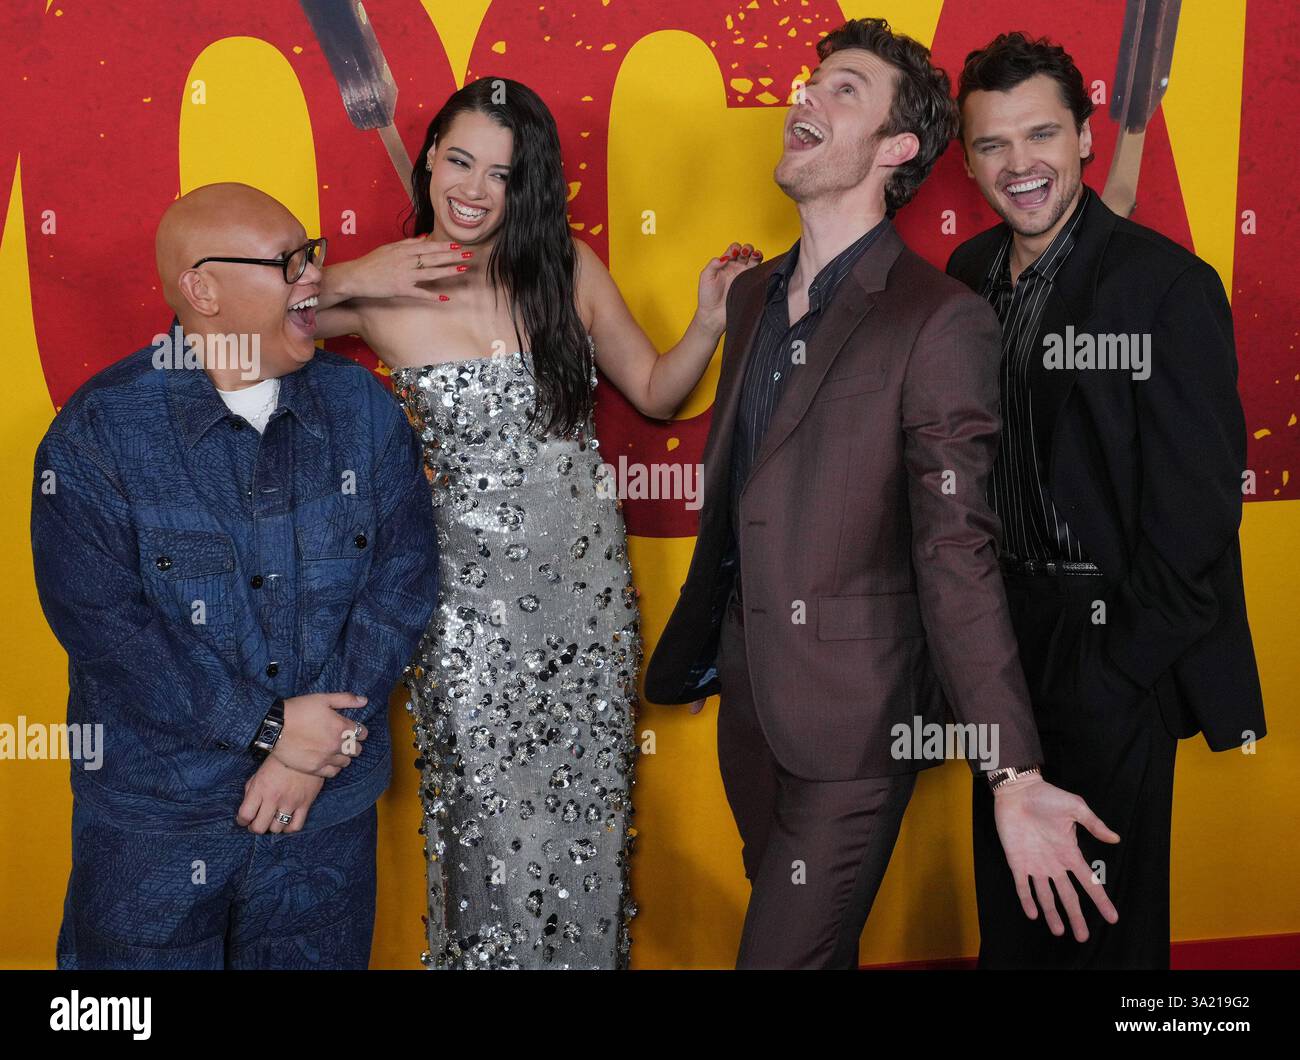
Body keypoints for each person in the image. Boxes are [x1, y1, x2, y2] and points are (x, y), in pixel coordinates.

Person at [644, 17, 1120, 969]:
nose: (804, 97)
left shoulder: (940, 320)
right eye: (810, 83)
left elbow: (956, 551)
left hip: (858, 725)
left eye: (843, 90)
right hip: (752, 712)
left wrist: (1012, 770)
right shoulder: (748, 300)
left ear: (897, 149)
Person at [314, 76, 761, 969]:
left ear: (531, 186)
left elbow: (660, 392)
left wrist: (711, 319)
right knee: (484, 828)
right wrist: (354, 275)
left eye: (503, 175)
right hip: (464, 611)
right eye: (461, 160)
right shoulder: (378, 290)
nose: (474, 189)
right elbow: (229, 329)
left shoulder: (568, 266)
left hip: (585, 603)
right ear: (431, 156)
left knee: (585, 826)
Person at [31, 182, 439, 969]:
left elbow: (401, 584)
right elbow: (106, 628)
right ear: (202, 288)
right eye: (289, 262)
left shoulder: (364, 411)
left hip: (325, 818)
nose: (315, 276)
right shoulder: (97, 435)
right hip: (158, 822)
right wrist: (271, 729)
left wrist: (313, 754)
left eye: (311, 254)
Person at [947, 32, 1266, 969]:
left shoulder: (1165, 287)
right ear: (965, 159)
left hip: (1106, 640)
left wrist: (1120, 668)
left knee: (1100, 935)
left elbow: (1199, 509)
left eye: (1041, 135)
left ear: (1087, 137)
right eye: (994, 145)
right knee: (1016, 919)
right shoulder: (966, 277)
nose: (1020, 165)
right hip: (997, 646)